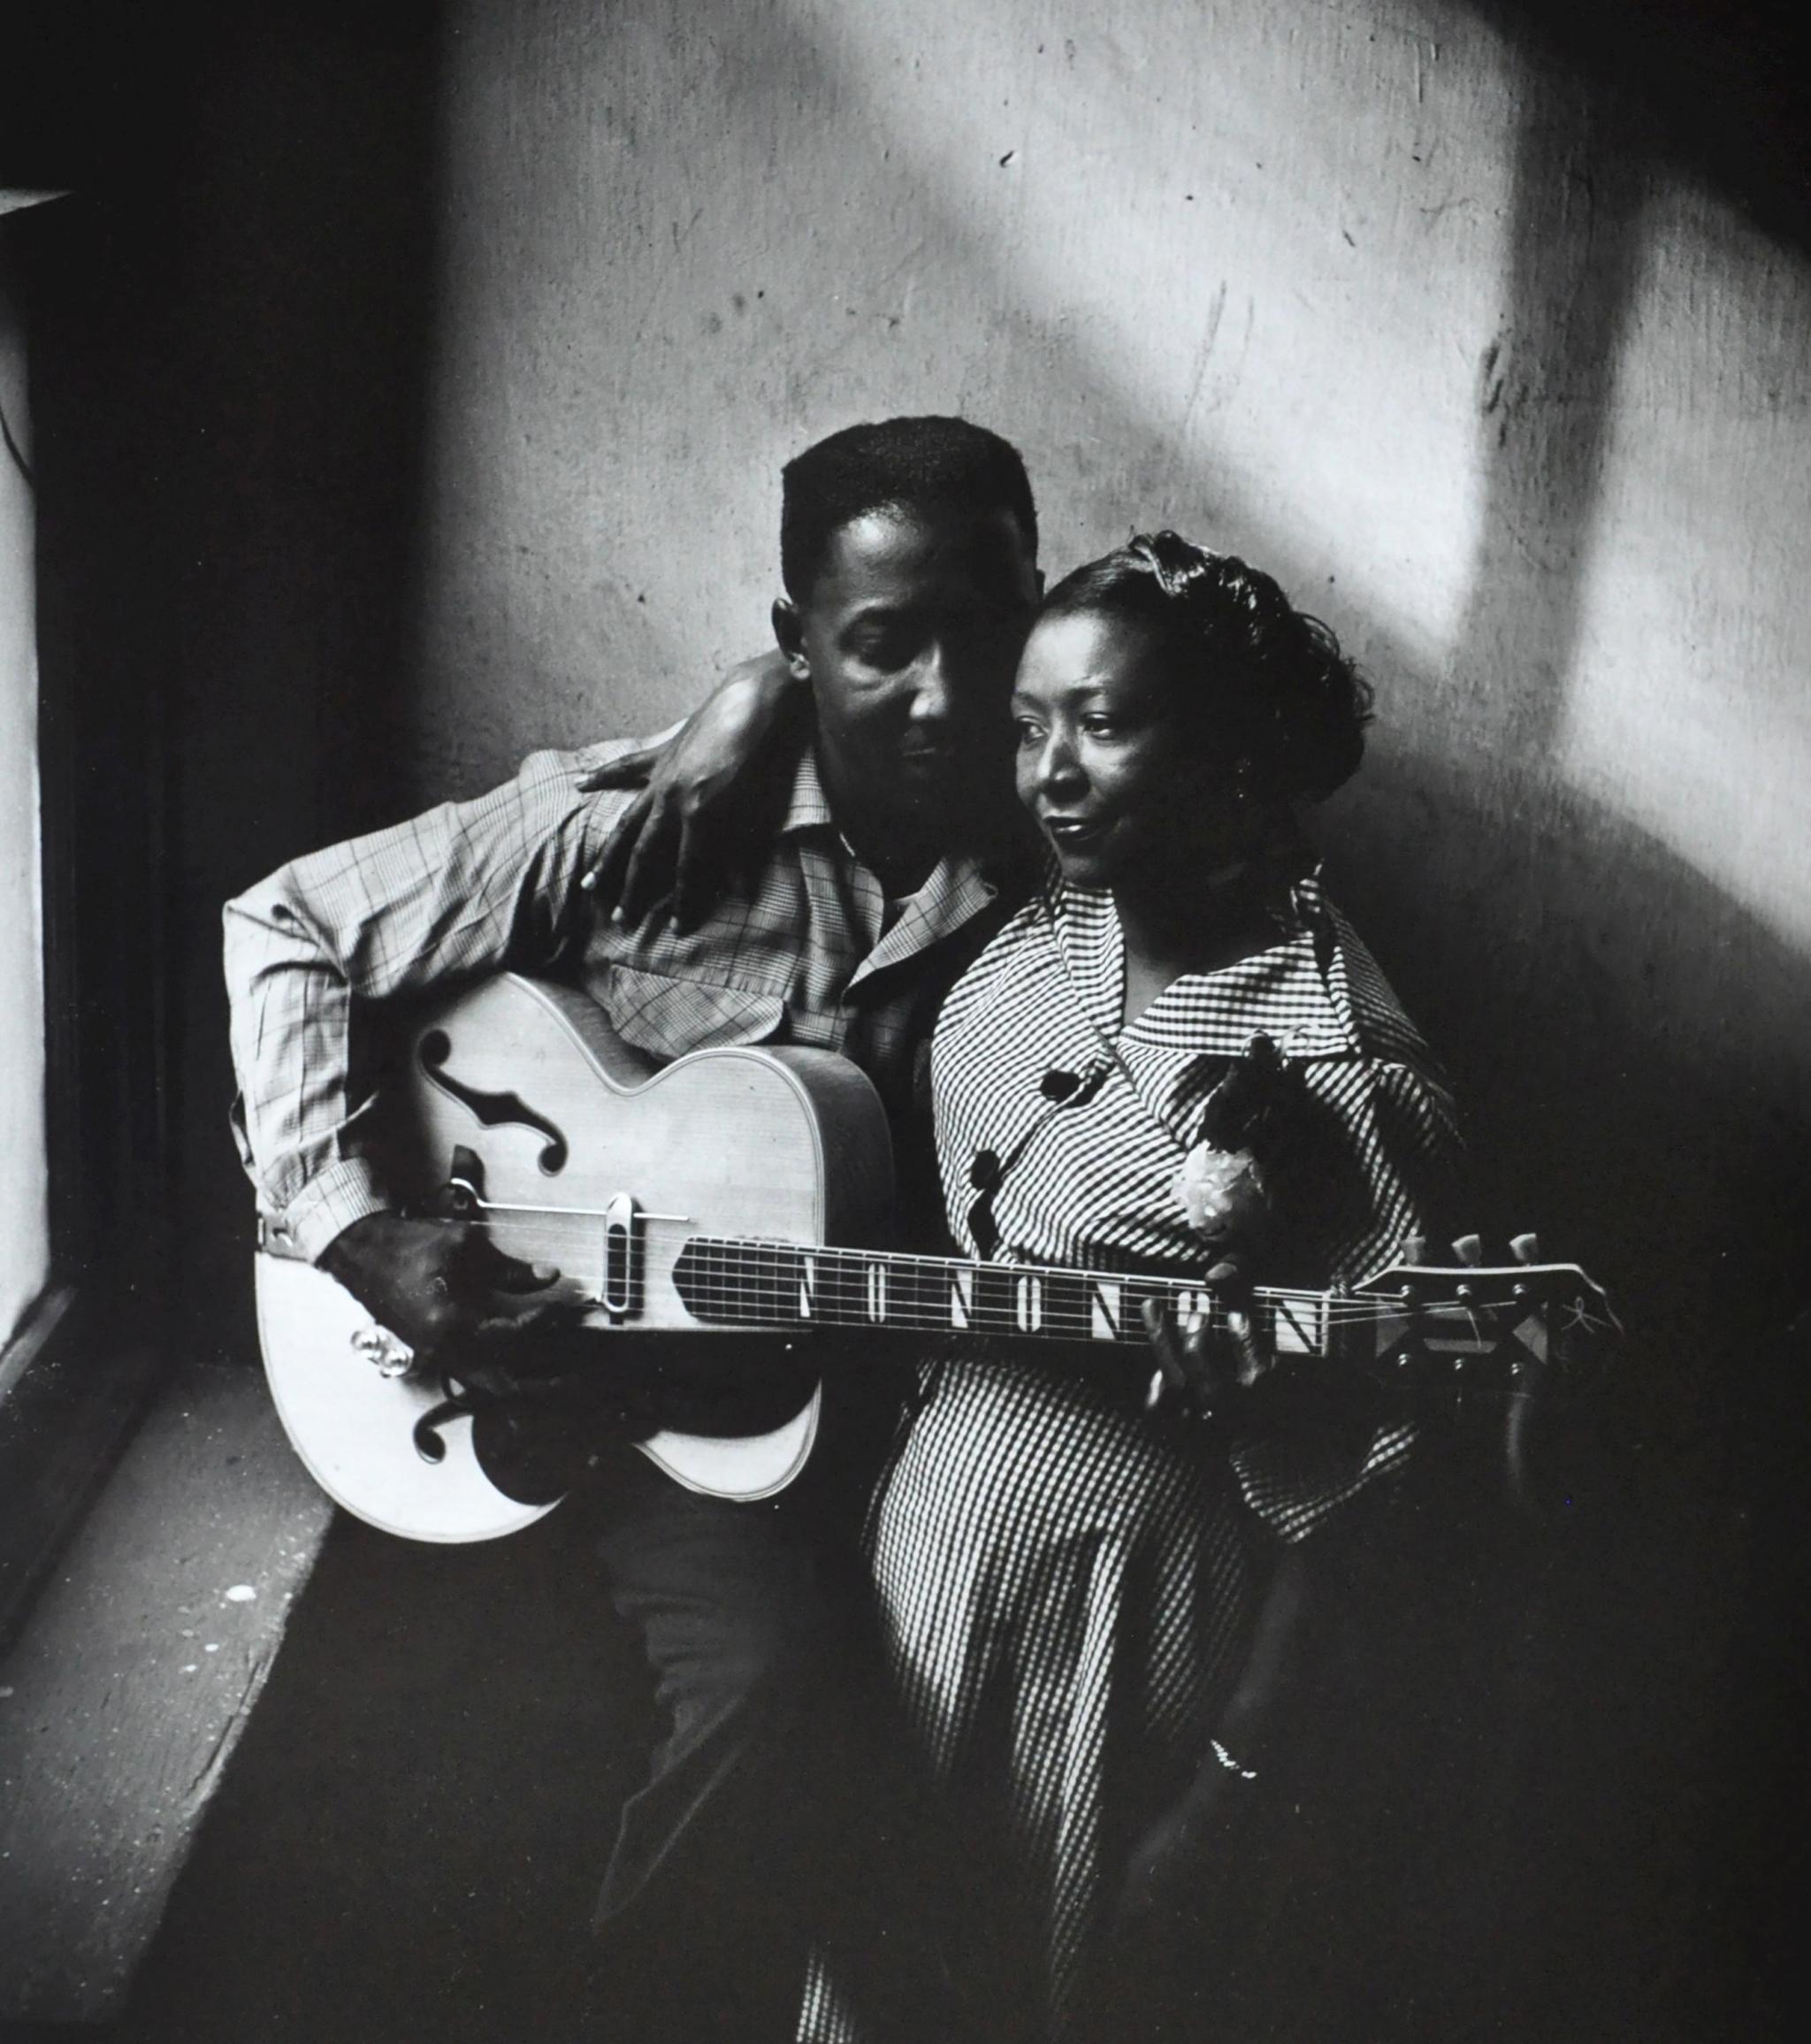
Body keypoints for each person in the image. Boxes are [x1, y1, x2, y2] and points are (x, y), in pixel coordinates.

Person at [222, 415, 1050, 2043]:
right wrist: (361, 1232)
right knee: (769, 1683)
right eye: (882, 646)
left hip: (849, 1383)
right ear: (794, 644)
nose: (947, 696)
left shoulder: (1070, 854)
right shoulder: (641, 819)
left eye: (991, 632)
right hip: (597, 1402)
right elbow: (284, 926)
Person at [624, 532, 1464, 2040]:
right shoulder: (1039, 939)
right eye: (1030, 726)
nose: (1050, 771)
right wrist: (755, 691)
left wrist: (1230, 1793)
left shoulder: (1339, 1075)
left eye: (1105, 723)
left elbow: (1382, 1499)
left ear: (1225, 757)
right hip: (920, 1587)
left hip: (1121, 1633)